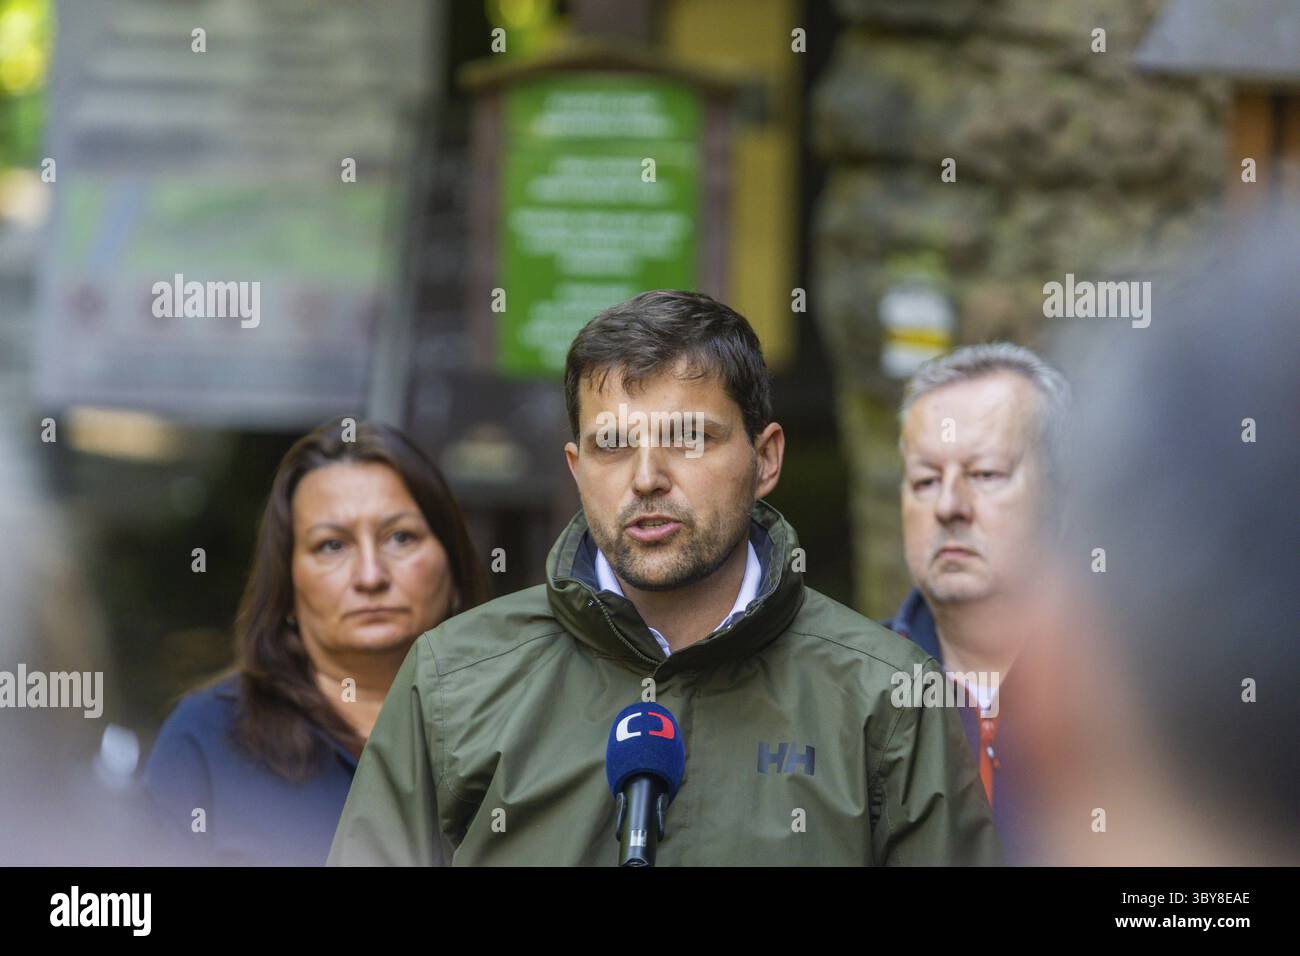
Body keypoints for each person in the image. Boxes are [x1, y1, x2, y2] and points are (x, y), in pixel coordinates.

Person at [328, 290, 1001, 866]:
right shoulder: (454, 679)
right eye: (612, 445)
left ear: (765, 458)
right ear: (575, 466)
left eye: (688, 438)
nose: (646, 478)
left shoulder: (885, 697)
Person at [140, 418, 489, 865]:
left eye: (400, 537)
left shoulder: (516, 727)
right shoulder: (206, 740)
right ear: (286, 587)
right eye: (331, 546)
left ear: (453, 567)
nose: (370, 576)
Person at [886, 343, 1069, 863]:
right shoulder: (846, 689)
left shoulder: (1143, 692)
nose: (948, 506)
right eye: (925, 480)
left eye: (985, 474)